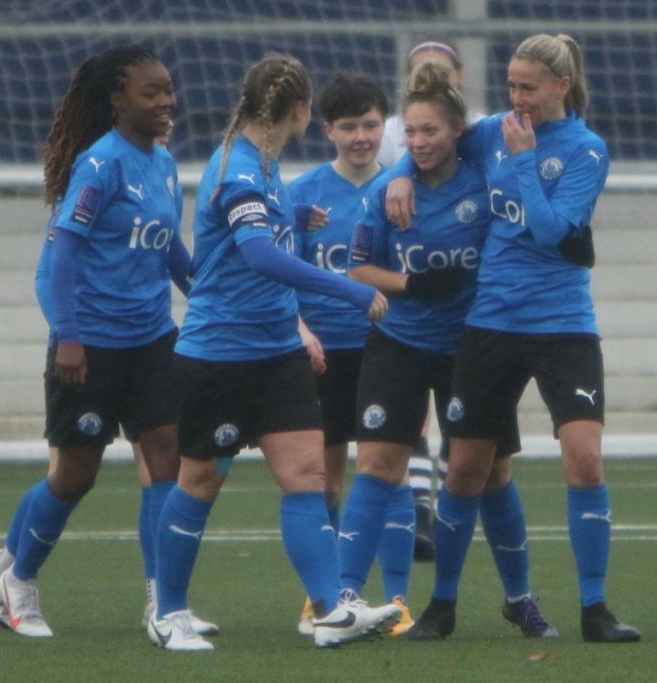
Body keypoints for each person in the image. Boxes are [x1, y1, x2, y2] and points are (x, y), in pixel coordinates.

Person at [385, 34, 638, 643]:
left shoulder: (585, 150)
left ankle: (595, 610)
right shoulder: (494, 128)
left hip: (562, 325)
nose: (516, 97)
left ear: (561, 86)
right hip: (492, 319)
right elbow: (434, 139)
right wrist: (396, 172)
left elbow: (553, 234)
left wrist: (524, 162)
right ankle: (442, 605)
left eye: (528, 86)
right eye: (511, 85)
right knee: (466, 467)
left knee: (584, 456)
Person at [148, 53, 400, 652]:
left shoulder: (264, 165)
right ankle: (168, 612)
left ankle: (329, 608)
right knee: (201, 479)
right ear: (301, 111)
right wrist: (349, 288)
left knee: (307, 474)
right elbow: (259, 255)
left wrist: (294, 213)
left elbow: (259, 233)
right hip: (221, 351)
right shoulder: (237, 167)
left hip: (277, 348)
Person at [336, 59, 558, 641]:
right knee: (378, 465)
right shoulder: (388, 191)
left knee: (491, 473)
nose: (418, 141)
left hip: (474, 347)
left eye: (430, 130)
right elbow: (358, 268)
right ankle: (342, 601)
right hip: (400, 342)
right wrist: (410, 285)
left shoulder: (486, 182)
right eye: (409, 132)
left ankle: (520, 598)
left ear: (456, 130)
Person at [0, 45, 194, 639]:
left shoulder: (162, 161)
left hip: (153, 338)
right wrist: (69, 338)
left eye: (167, 90)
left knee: (166, 464)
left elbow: (169, 247)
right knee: (76, 475)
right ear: (116, 101)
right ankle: (18, 577)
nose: (166, 101)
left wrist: (203, 288)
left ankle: (164, 602)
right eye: (150, 93)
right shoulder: (99, 166)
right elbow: (64, 255)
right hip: (92, 347)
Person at [285, 72, 415, 636]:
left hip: (386, 350)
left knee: (391, 473)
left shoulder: (400, 189)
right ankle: (325, 596)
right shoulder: (303, 194)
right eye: (348, 127)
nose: (361, 137)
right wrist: (298, 328)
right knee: (326, 480)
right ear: (326, 129)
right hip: (321, 354)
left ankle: (398, 598)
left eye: (370, 125)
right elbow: (276, 271)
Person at [379, 38, 486, 561]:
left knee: (473, 435)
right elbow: (383, 180)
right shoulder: (395, 133)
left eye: (440, 71)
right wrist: (398, 173)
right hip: (407, 307)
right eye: (421, 70)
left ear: (459, 76)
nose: (431, 78)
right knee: (410, 417)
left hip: (468, 315)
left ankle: (445, 510)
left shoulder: (479, 129)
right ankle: (420, 506)